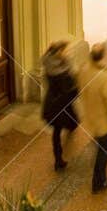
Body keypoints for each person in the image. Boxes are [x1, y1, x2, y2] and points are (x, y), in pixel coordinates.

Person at [75, 43, 107, 193]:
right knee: (105, 150)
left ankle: (98, 169)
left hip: (90, 117)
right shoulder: (106, 78)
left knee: (99, 143)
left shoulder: (83, 70)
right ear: (103, 55)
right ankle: (99, 181)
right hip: (104, 122)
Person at [40, 40, 80, 172]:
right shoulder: (63, 71)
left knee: (56, 132)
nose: (66, 52)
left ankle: (58, 160)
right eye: (65, 50)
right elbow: (71, 89)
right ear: (58, 52)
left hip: (51, 104)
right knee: (74, 122)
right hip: (63, 105)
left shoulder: (47, 63)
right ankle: (61, 156)